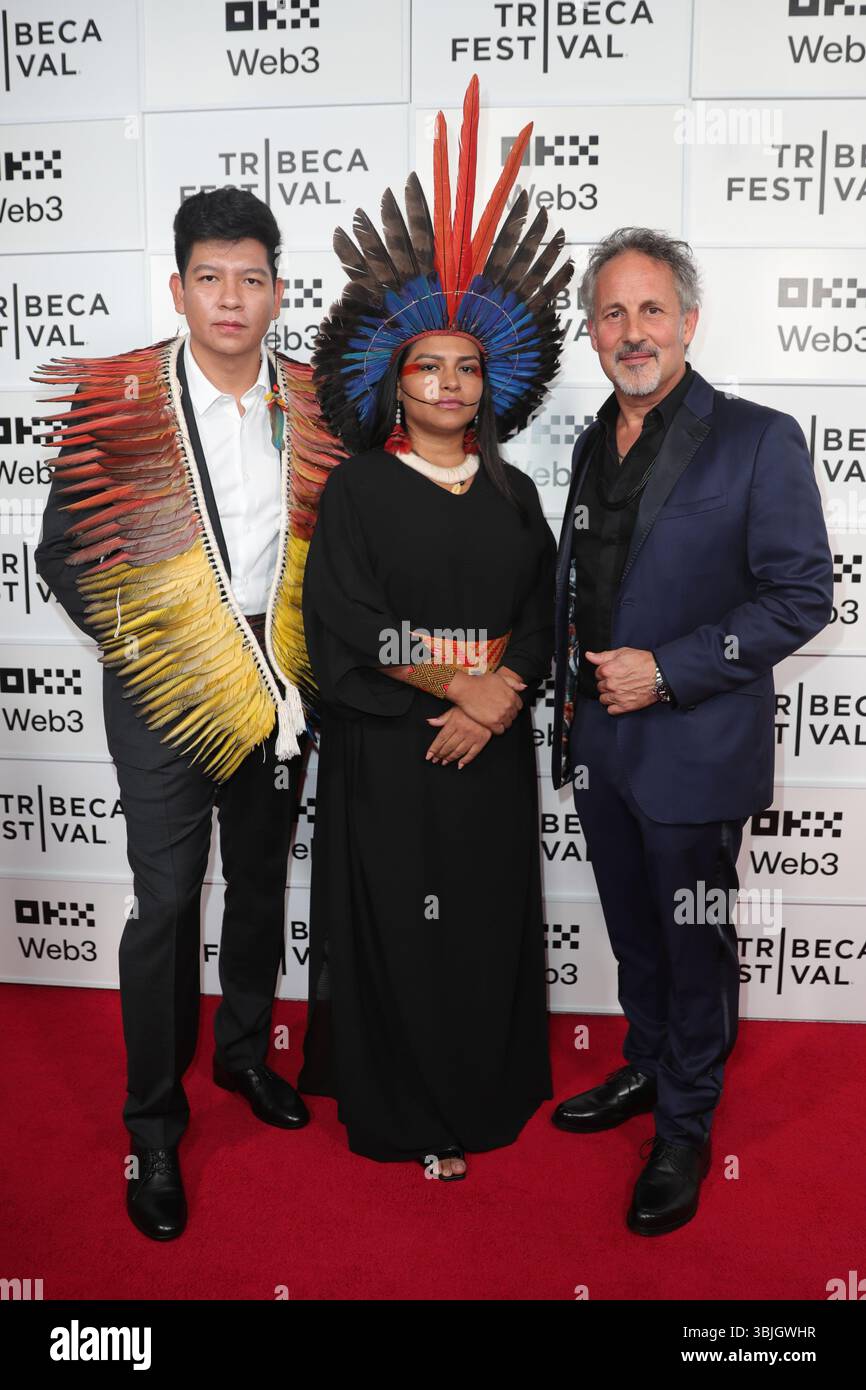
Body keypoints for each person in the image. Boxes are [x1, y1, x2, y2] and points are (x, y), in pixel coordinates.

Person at [33, 188, 343, 1240]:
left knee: (258, 880)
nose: (229, 296)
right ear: (177, 287)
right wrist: (157, 647)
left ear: (276, 290)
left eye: (250, 277)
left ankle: (246, 1053)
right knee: (165, 901)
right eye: (208, 277)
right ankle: (153, 1122)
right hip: (161, 677)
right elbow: (62, 557)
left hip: (275, 675)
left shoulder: (310, 397)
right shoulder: (120, 397)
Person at [297, 76, 573, 1179]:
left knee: (479, 928)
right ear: (394, 381)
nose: (450, 382)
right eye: (430, 367)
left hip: (489, 757)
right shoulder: (362, 489)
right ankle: (407, 1113)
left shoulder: (513, 494)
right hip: (393, 755)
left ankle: (481, 1097)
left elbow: (539, 614)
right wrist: (461, 687)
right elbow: (346, 626)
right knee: (402, 933)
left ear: (487, 382)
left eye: (466, 368)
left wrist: (503, 694)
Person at [549, 227, 834, 1234]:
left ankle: (683, 1123)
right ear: (592, 332)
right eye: (613, 313)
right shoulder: (592, 440)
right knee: (634, 935)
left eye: (651, 310)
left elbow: (801, 596)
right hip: (600, 746)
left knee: (693, 941)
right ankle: (644, 1066)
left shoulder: (756, 438)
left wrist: (666, 672)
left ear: (688, 320)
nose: (634, 332)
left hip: (696, 745)